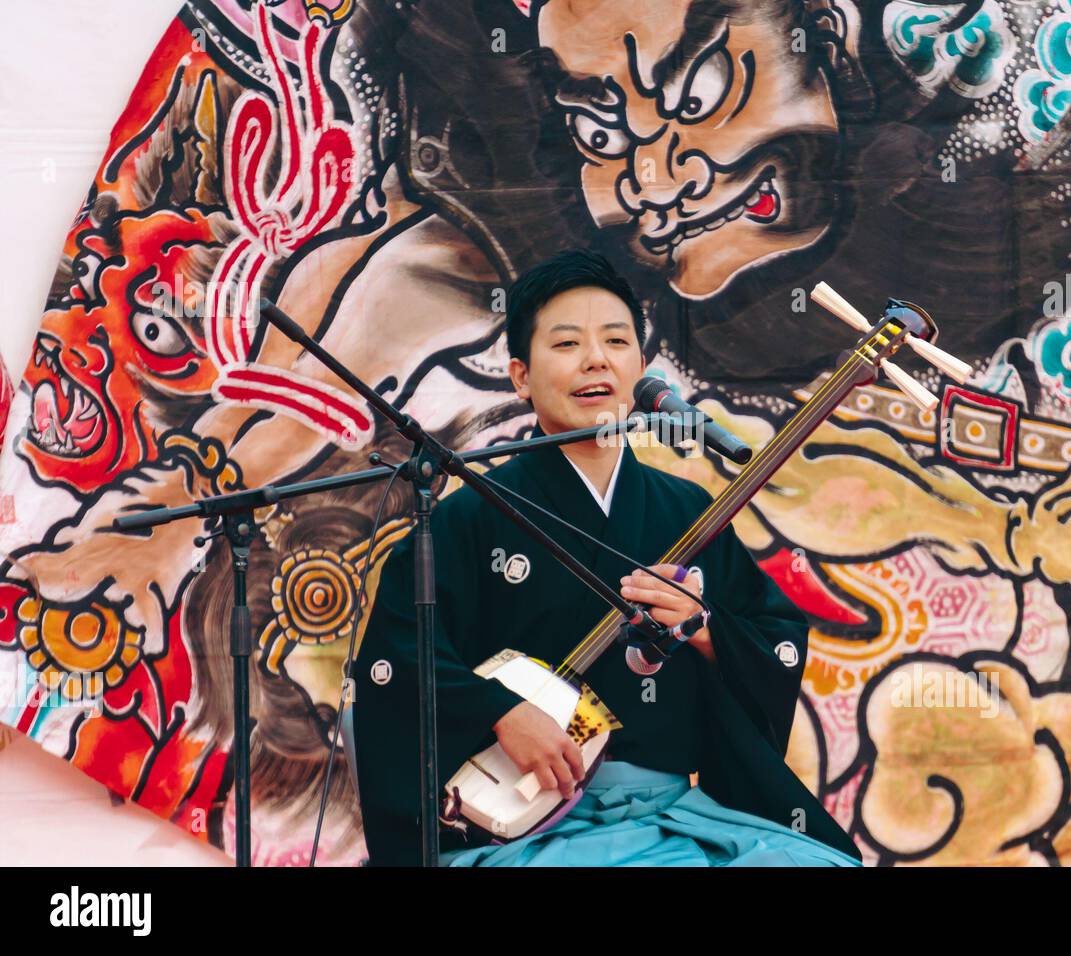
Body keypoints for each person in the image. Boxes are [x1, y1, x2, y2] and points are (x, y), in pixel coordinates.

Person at [353, 249, 860, 865]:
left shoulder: (685, 509)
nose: (596, 359)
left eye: (616, 341)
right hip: (528, 823)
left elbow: (773, 637)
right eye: (567, 344)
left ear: (641, 370)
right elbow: (396, 660)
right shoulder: (468, 518)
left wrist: (703, 630)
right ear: (520, 376)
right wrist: (500, 713)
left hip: (673, 814)